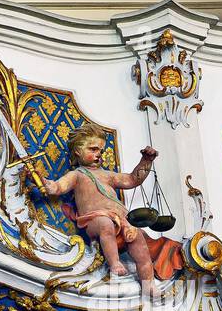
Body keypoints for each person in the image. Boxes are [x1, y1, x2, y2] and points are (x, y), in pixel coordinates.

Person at [42, 124, 160, 291]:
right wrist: (46, 184)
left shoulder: (107, 175)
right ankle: (115, 263)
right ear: (77, 151)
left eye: (101, 151)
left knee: (140, 243)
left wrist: (146, 161)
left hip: (121, 218)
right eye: (93, 149)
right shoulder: (77, 175)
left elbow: (133, 180)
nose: (98, 154)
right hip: (94, 219)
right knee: (105, 224)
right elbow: (58, 187)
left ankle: (149, 286)